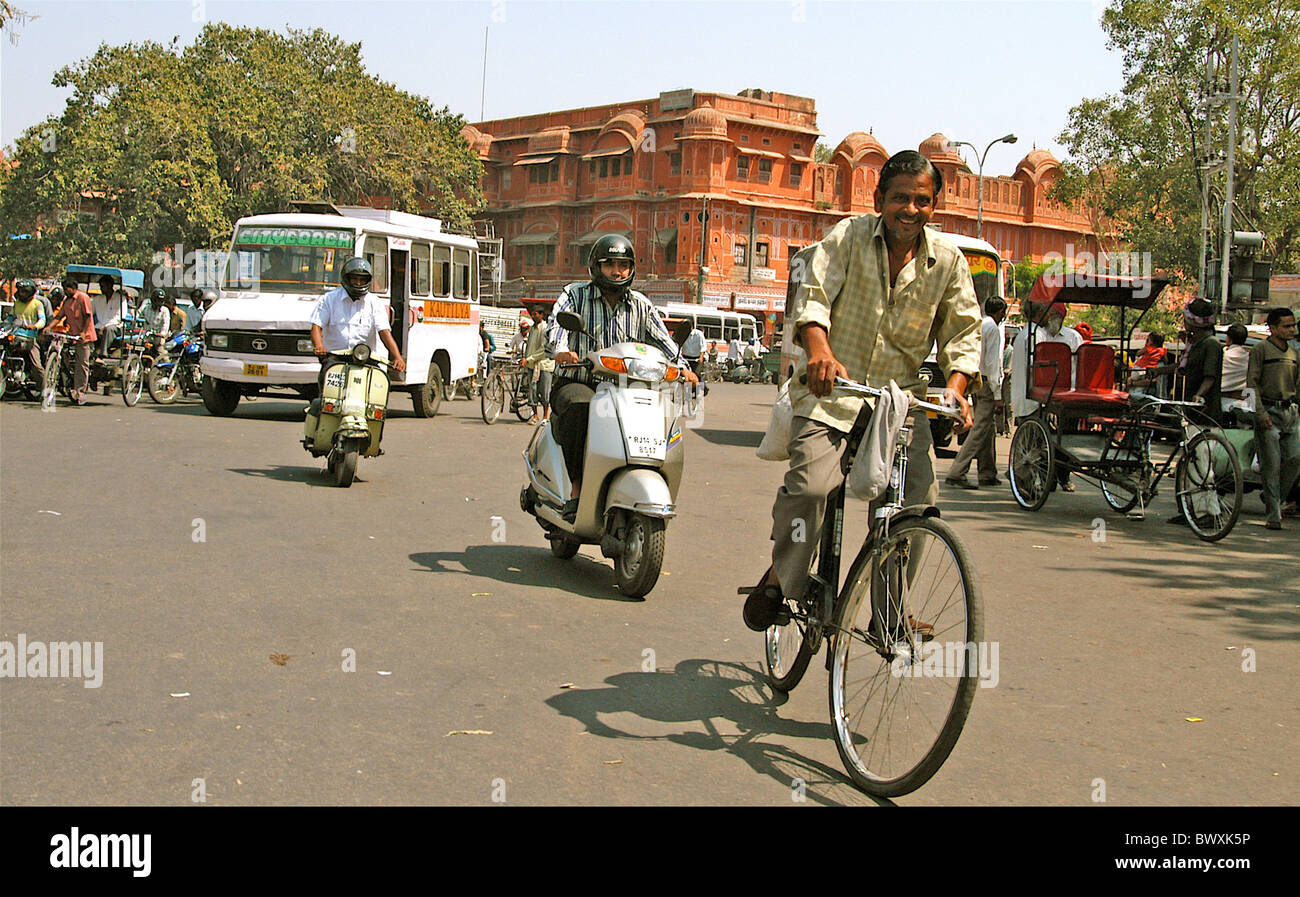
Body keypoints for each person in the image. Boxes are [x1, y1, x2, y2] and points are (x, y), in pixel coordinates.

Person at [744, 149, 980, 631]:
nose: (910, 210)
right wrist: (819, 352)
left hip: (899, 404)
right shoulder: (849, 237)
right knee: (811, 489)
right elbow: (814, 297)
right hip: (833, 393)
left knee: (915, 502)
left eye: (922, 201)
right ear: (879, 200)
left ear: (935, 205)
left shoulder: (949, 262)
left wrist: (955, 389)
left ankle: (889, 614)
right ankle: (782, 577)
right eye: (900, 199)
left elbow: (963, 333)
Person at [549, 233, 695, 521]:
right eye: (610, 264)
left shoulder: (640, 304)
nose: (618, 271)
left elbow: (663, 341)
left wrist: (684, 367)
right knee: (582, 408)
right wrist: (561, 350)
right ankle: (577, 488)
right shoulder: (575, 295)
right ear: (596, 266)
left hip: (626, 390)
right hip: (579, 382)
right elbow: (558, 326)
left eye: (624, 265)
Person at [1009, 301, 1083, 491]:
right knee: (1034, 446)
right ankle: (1022, 481)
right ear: (1041, 313)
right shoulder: (1036, 335)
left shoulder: (1026, 334)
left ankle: (1029, 480)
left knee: (1031, 443)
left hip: (1026, 396)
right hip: (1033, 397)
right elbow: (1041, 369)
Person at [309, 257, 406, 391]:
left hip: (365, 359)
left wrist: (397, 357)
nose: (358, 283)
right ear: (346, 278)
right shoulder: (329, 299)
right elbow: (316, 326)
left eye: (362, 280)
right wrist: (319, 346)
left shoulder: (375, 302)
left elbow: (384, 333)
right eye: (354, 279)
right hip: (335, 359)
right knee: (326, 396)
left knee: (378, 390)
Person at [946, 296, 1007, 488]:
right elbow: (993, 362)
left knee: (988, 429)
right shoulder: (994, 329)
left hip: (976, 380)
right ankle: (957, 471)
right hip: (988, 382)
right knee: (980, 428)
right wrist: (998, 394)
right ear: (1000, 312)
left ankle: (987, 472)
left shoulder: (980, 324)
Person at [1246, 307, 1299, 530]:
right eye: (1286, 326)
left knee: (1295, 459)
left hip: (1290, 413)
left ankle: (1274, 498)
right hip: (1268, 412)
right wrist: (1259, 413)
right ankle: (1273, 515)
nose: (1291, 330)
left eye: (1293, 325)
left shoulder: (1294, 354)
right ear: (1273, 327)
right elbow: (1251, 384)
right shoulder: (1261, 350)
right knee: (1272, 465)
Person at [1172, 299, 1223, 424]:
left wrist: (1199, 395)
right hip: (1188, 409)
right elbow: (1183, 366)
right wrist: (1158, 370)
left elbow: (1210, 377)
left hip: (1204, 412)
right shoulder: (1193, 343)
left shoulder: (1211, 344)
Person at [48, 275, 96, 404]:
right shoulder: (67, 301)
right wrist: (48, 327)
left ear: (73, 288)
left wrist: (83, 332)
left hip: (84, 336)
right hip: (70, 334)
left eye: (66, 288)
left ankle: (81, 392)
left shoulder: (83, 298)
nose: (65, 291)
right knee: (59, 352)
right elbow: (59, 316)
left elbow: (87, 316)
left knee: (82, 364)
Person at [6, 279, 46, 392]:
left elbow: (42, 320)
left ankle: (43, 389)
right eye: (20, 291)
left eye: (25, 291)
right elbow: (11, 317)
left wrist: (35, 326)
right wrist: (5, 322)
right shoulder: (17, 303)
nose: (22, 294)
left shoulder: (37, 304)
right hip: (15, 335)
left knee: (37, 365)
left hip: (30, 337)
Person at [523, 306, 553, 424]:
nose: (533, 316)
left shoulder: (545, 328)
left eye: (536, 314)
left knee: (545, 392)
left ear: (541, 315)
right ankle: (535, 415)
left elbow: (543, 349)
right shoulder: (532, 329)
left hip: (544, 365)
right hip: (531, 365)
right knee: (532, 391)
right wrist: (526, 358)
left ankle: (545, 416)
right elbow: (529, 346)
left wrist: (529, 358)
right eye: (532, 314)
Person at [1220, 322, 1252, 418]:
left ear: (1228, 338)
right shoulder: (1248, 358)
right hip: (1242, 403)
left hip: (1221, 400)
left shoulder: (1222, 355)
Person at [1127, 331, 1167, 397]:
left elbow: (1138, 353)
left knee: (1133, 379)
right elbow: (1166, 360)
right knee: (1140, 388)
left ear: (1151, 341)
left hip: (1139, 368)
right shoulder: (1163, 350)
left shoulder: (1148, 348)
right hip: (1147, 370)